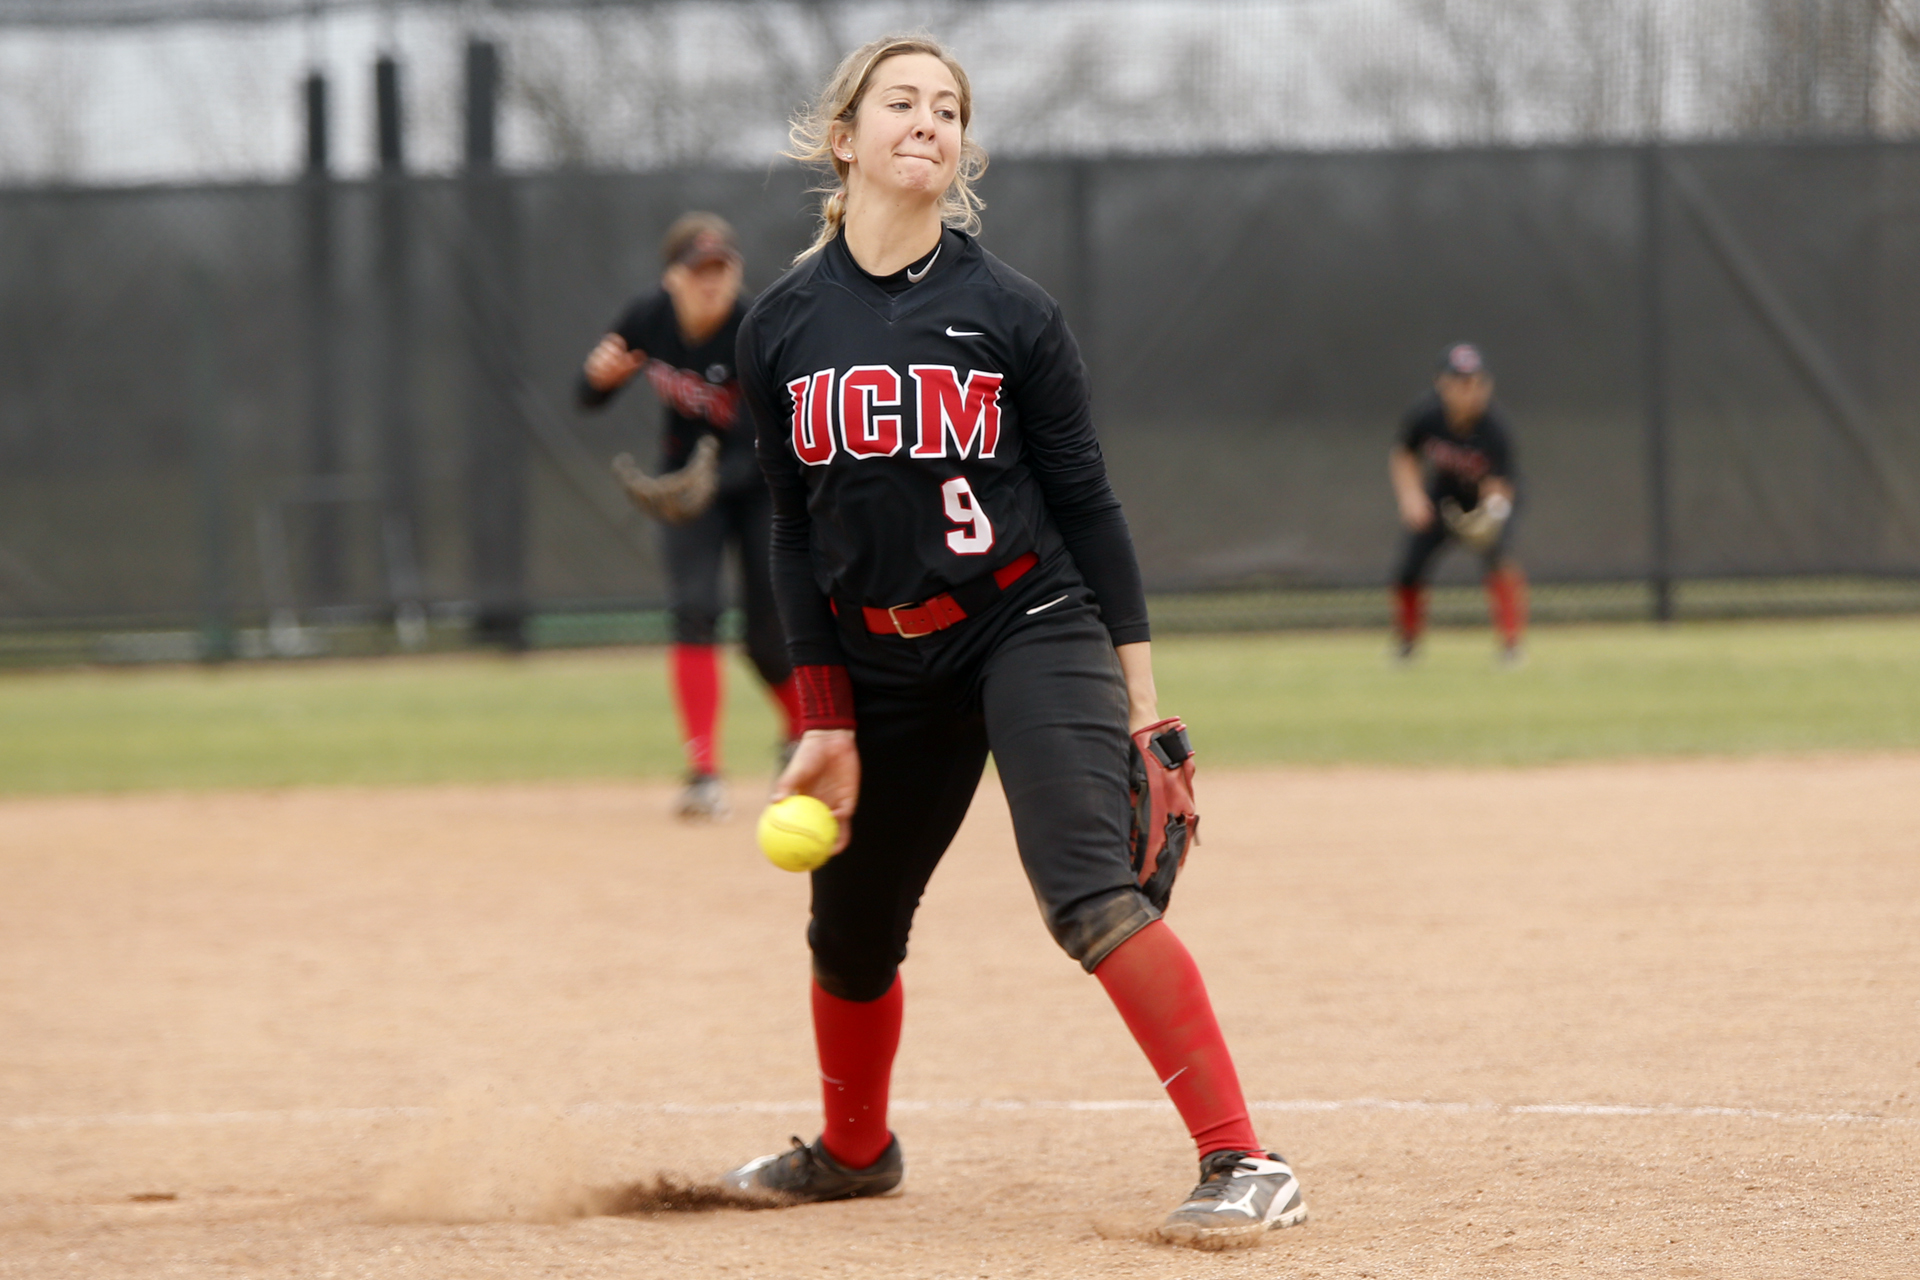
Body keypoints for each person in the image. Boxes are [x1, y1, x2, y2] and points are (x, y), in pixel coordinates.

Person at [718, 35, 1307, 1249]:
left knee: (1088, 891)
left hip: (1026, 622)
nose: (928, 121)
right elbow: (791, 535)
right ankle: (853, 1151)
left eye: (949, 107)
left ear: (960, 148)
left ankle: (1245, 1159)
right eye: (902, 102)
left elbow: (1090, 504)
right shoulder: (779, 326)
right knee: (852, 925)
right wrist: (825, 715)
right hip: (878, 659)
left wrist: (1143, 698)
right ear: (846, 140)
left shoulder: (1009, 313)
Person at [576, 214, 803, 820]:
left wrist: (703, 482)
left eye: (722, 269)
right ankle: (703, 774)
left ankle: (802, 734)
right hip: (686, 486)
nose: (712, 283)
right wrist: (597, 381)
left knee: (768, 639)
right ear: (672, 278)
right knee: (693, 611)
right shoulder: (648, 316)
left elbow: (763, 439)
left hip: (758, 487)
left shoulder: (755, 327)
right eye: (698, 272)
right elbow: (589, 392)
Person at [1387, 342, 1528, 662]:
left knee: (1500, 561)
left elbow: (1501, 483)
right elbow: (1404, 454)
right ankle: (1407, 644)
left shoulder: (1496, 427)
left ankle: (1511, 646)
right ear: (1442, 384)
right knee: (1409, 568)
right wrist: (1410, 497)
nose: (1470, 391)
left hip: (1490, 500)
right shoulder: (1426, 414)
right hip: (1444, 496)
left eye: (1477, 382)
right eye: (1461, 383)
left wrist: (1491, 515)